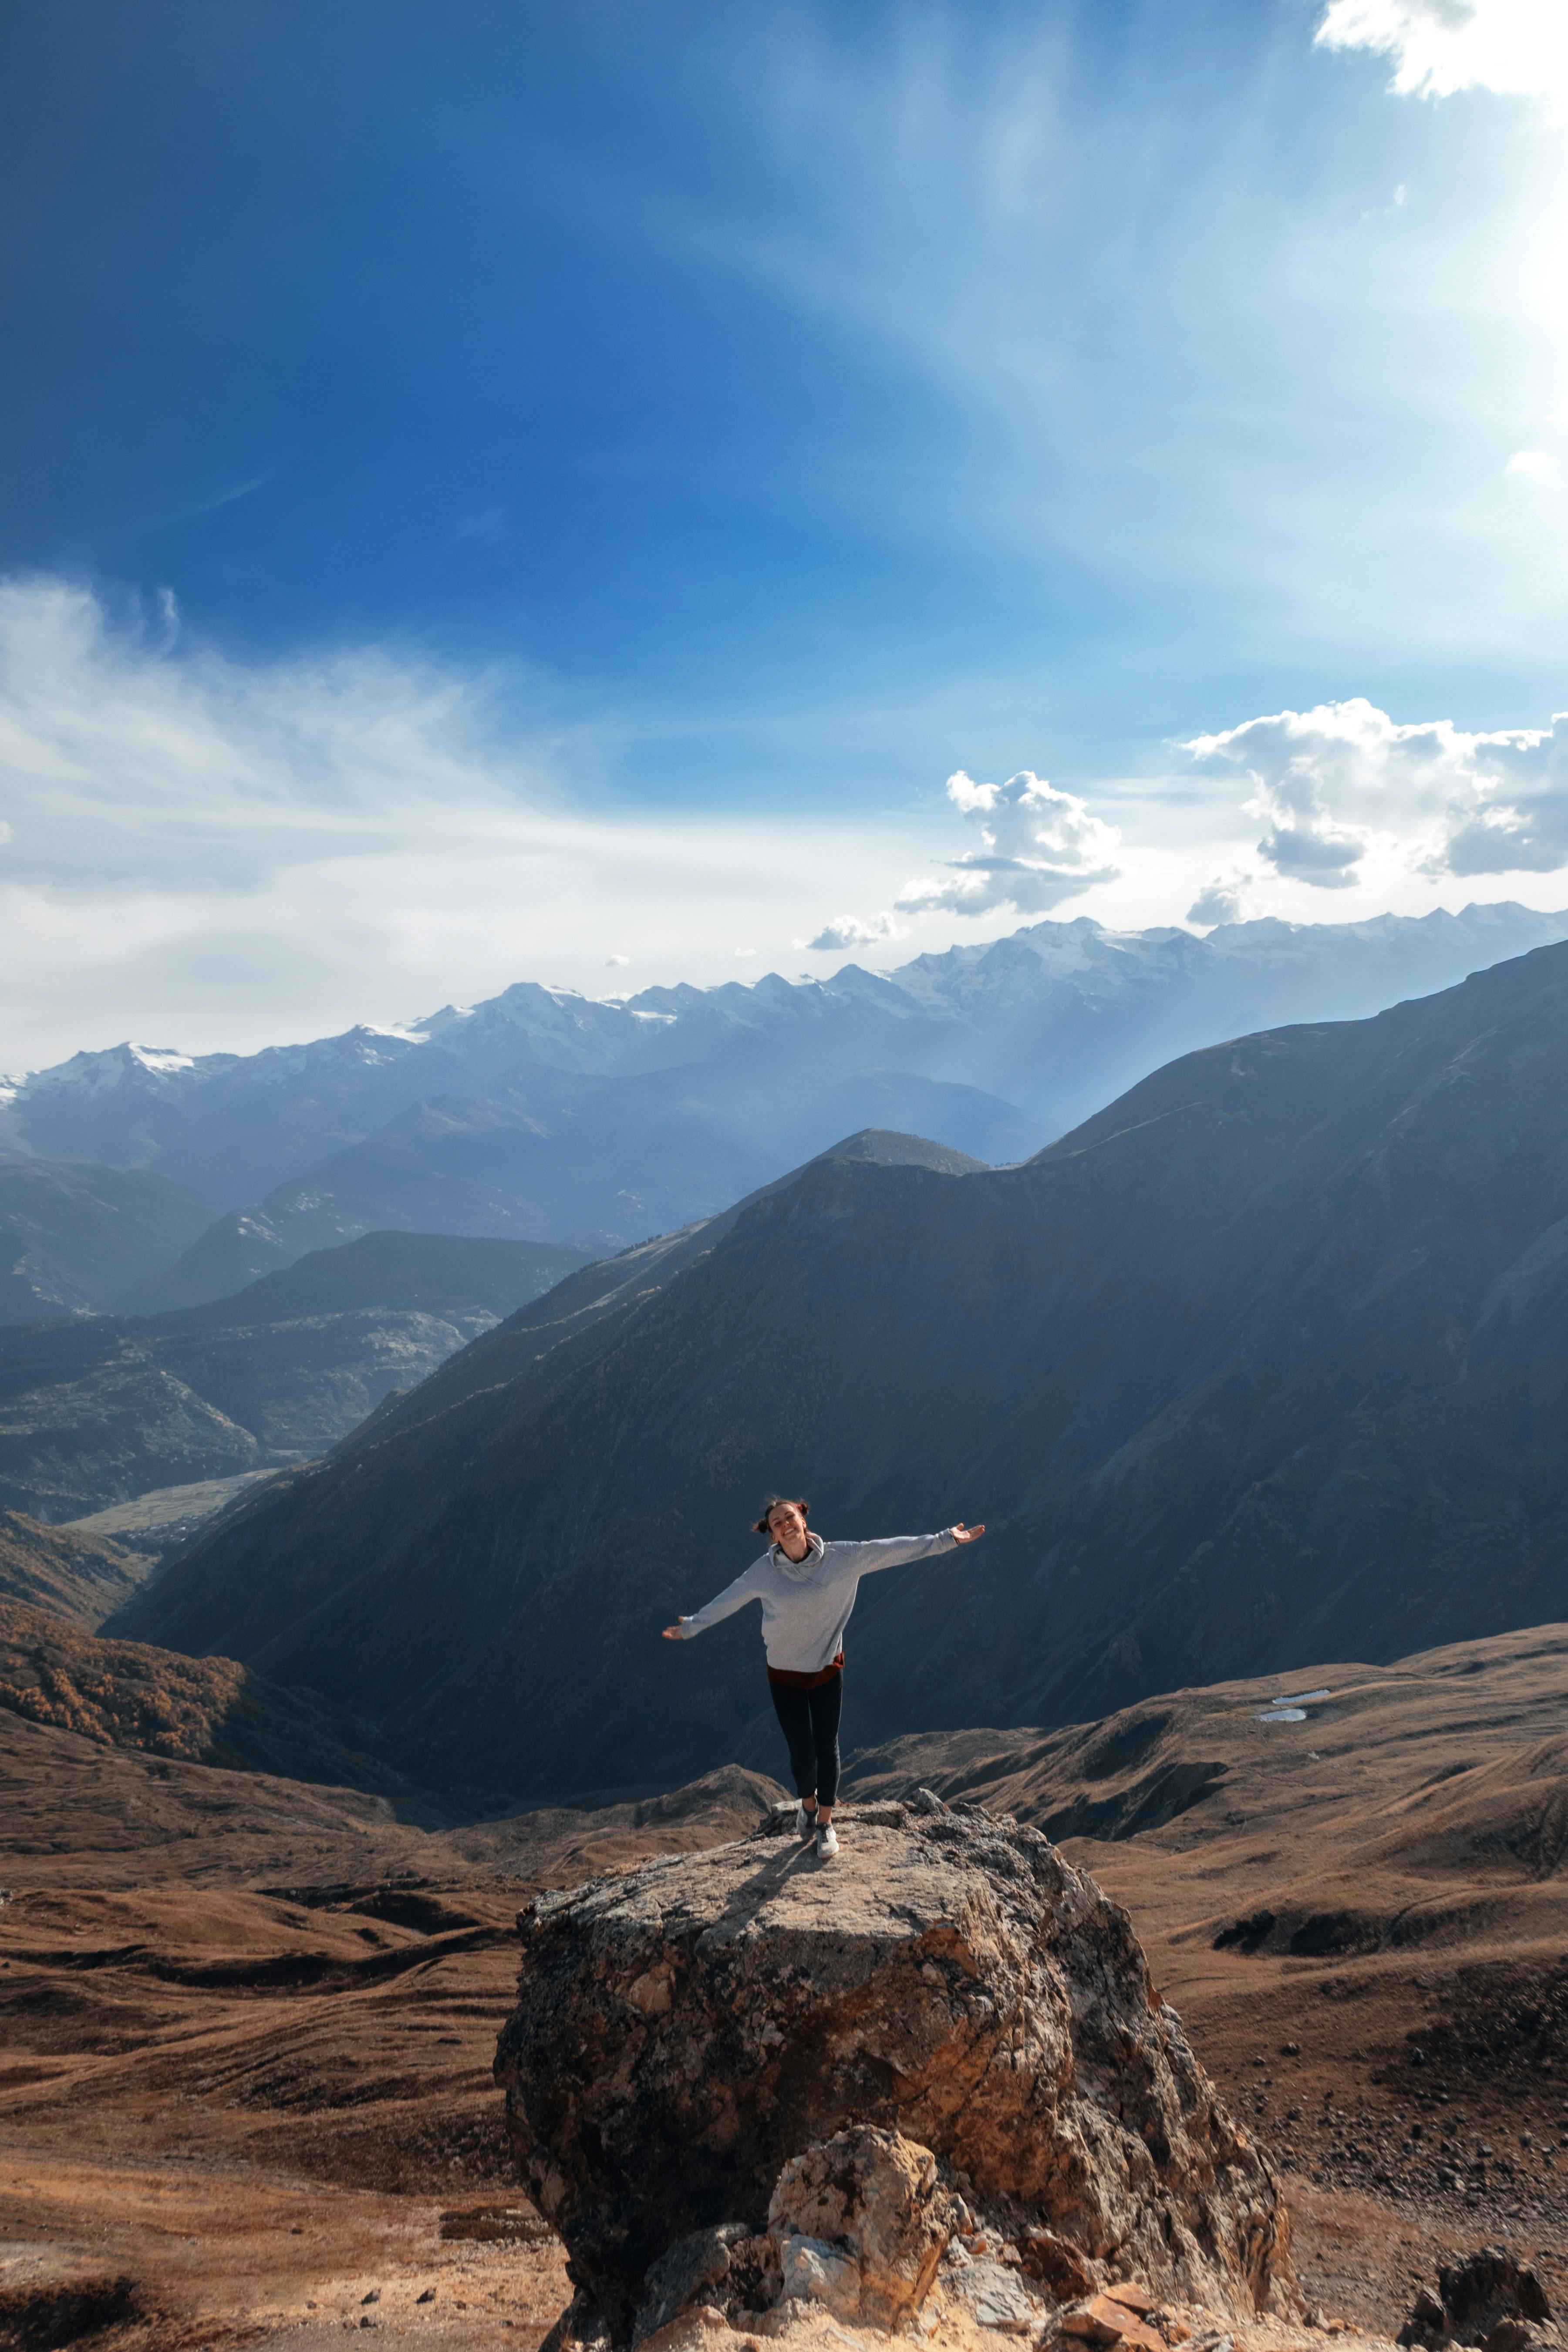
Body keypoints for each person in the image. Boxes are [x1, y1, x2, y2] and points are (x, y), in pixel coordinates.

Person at [661, 1496, 985, 1861]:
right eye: (776, 1523)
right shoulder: (763, 1572)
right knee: (802, 1756)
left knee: (827, 1747)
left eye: (789, 1516)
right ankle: (808, 1806)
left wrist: (945, 1539)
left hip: (827, 1668)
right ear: (772, 1536)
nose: (785, 1524)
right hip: (783, 1674)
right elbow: (730, 1599)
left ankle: (825, 1825)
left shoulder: (843, 1558)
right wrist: (691, 1627)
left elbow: (894, 1550)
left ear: (803, 1518)